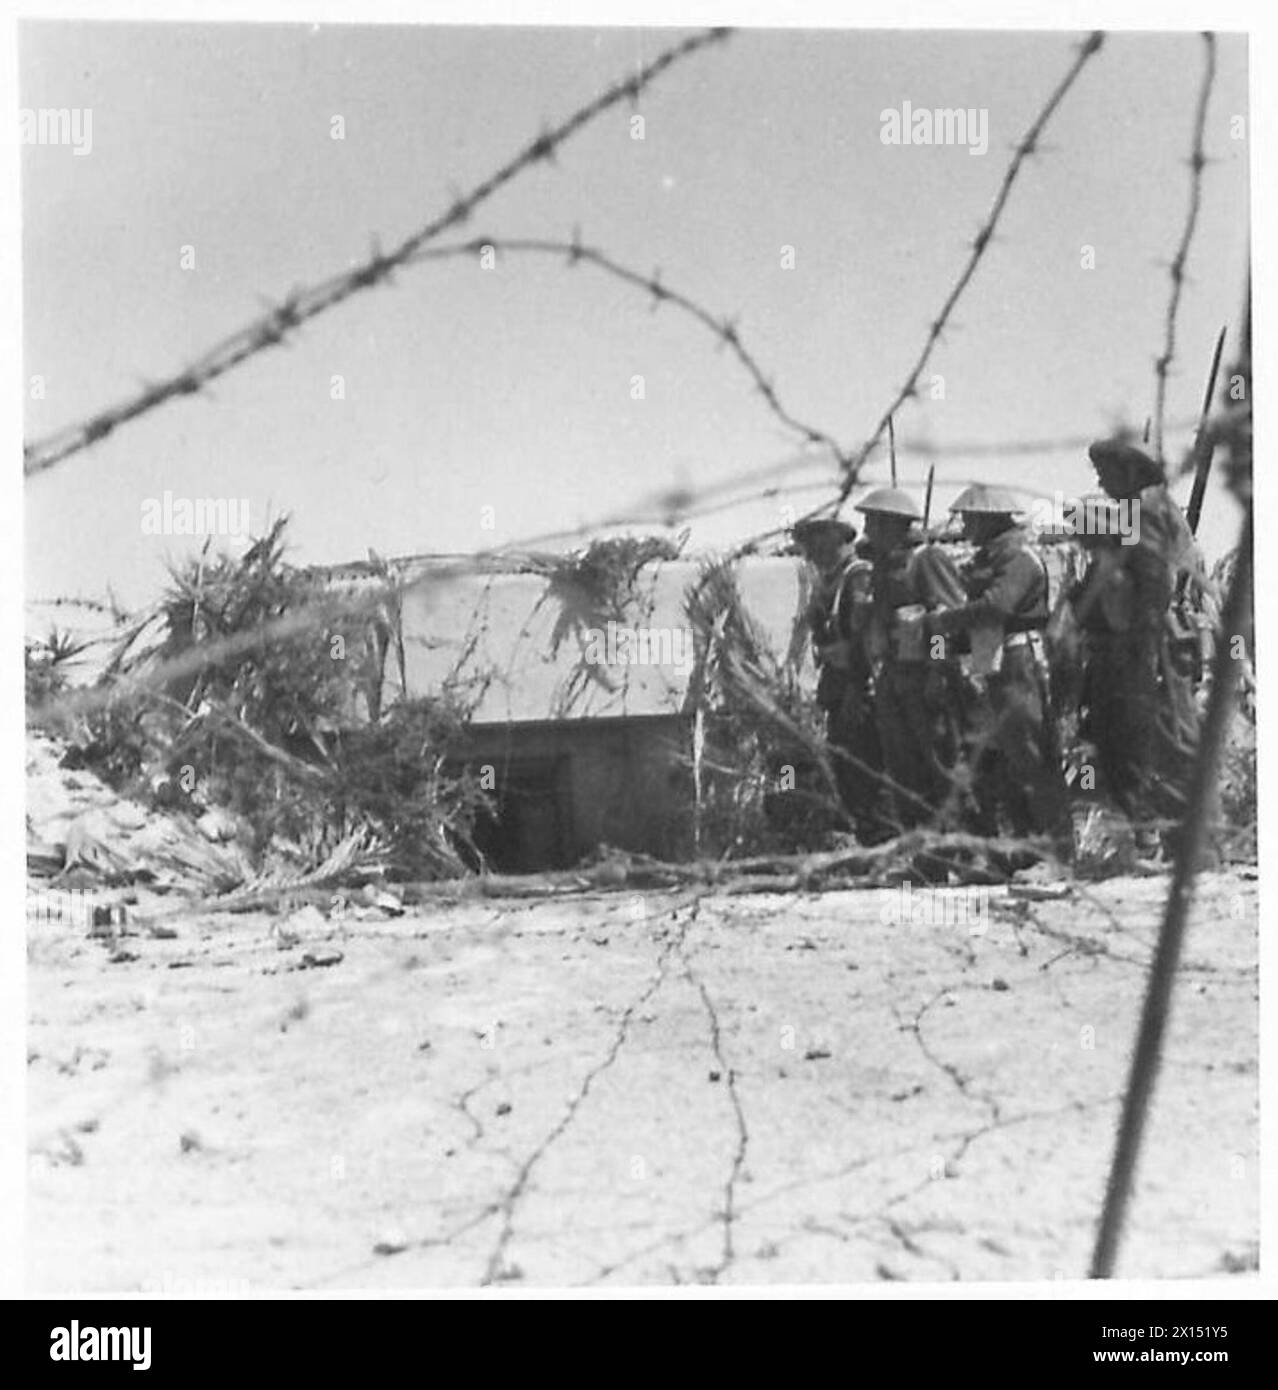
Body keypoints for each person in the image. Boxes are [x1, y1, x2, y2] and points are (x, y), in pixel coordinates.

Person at [1071, 438, 1209, 851]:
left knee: (1169, 738)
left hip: (1157, 638)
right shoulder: (1150, 508)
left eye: (1106, 471)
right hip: (1156, 637)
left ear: (1131, 471)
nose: (1100, 479)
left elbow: (1156, 585)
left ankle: (1193, 845)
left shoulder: (1146, 510)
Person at [927, 484, 1072, 857]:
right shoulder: (993, 560)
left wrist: (944, 619)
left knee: (1033, 756)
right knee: (1011, 761)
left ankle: (1056, 852)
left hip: (1020, 660)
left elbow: (996, 606)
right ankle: (1027, 849)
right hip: (999, 662)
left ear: (989, 520)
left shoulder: (1019, 559)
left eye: (971, 519)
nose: (965, 527)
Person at [852, 486, 966, 831]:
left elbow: (945, 619)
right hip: (893, 674)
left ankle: (961, 848)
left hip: (923, 676)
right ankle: (921, 853)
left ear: (893, 525)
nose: (867, 529)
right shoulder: (880, 568)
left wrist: (936, 670)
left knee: (938, 762)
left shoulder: (927, 559)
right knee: (903, 768)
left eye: (873, 521)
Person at [791, 517, 890, 843]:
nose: (814, 554)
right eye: (811, 547)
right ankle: (866, 841)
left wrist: (855, 689)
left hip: (857, 688)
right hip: (836, 687)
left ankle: (884, 842)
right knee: (847, 770)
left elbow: (864, 640)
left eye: (821, 545)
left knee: (866, 769)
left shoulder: (857, 577)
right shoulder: (828, 582)